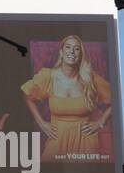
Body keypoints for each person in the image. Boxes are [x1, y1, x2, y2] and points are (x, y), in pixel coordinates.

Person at [21, 33, 113, 162]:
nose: (72, 52)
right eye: (68, 47)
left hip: (86, 142)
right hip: (57, 139)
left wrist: (100, 122)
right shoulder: (48, 76)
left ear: (81, 55)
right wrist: (41, 123)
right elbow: (27, 95)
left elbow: (116, 99)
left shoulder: (90, 78)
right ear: (61, 52)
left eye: (76, 49)